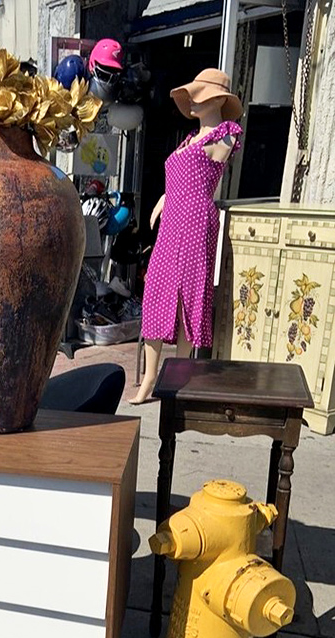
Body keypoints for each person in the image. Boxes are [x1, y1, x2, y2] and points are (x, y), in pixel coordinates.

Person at [130, 69, 243, 404]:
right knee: (157, 290)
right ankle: (150, 377)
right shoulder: (188, 141)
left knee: (188, 295)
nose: (193, 101)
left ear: (220, 100)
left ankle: (177, 376)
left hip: (195, 220)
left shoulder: (226, 136)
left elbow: (205, 177)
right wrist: (165, 198)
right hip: (171, 221)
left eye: (201, 94)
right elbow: (181, 177)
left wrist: (178, 198)